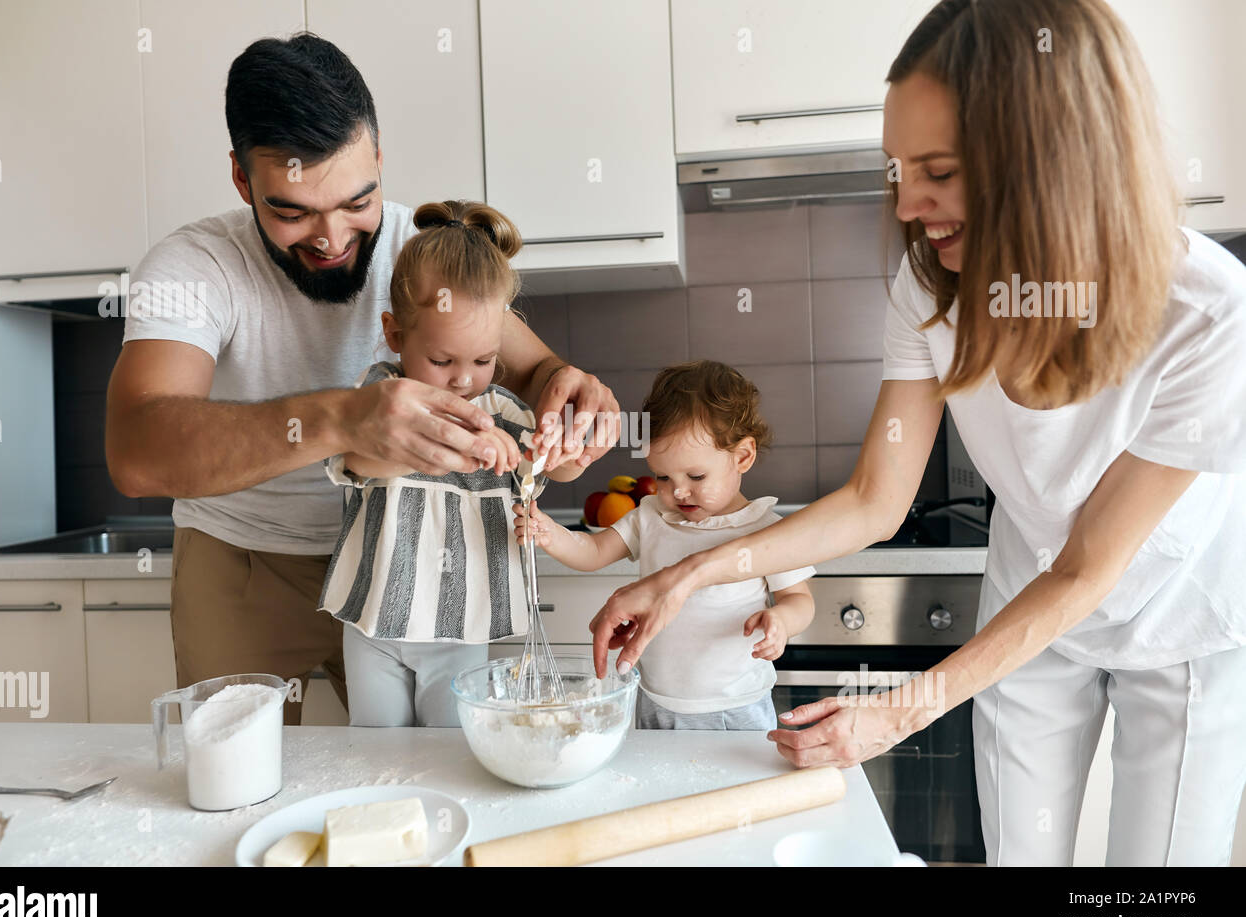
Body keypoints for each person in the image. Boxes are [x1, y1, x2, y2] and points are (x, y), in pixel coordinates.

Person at [588, 0, 1246, 865]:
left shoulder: (1208, 316)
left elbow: (1091, 564)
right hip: (1027, 593)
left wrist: (899, 708)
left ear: (1051, 161)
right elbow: (873, 500)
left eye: (936, 169)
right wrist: (685, 575)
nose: (908, 203)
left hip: (1181, 617)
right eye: (897, 168)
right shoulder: (930, 285)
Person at [105, 34, 617, 724]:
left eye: (357, 201)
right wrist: (345, 418)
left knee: (422, 785)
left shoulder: (426, 249)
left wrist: (577, 394)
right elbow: (137, 452)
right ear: (241, 179)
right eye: (292, 210)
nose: (333, 237)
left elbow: (537, 370)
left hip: (414, 571)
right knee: (234, 788)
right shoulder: (193, 267)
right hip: (244, 567)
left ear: (378, 158)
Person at [320, 200, 585, 726]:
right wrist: (461, 446)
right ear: (395, 335)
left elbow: (557, 469)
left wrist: (563, 446)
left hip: (458, 626)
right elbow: (355, 460)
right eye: (442, 361)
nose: (464, 380)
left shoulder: (503, 410)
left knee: (450, 751)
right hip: (375, 621)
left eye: (484, 361)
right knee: (377, 753)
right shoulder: (378, 395)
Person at [516, 361, 814, 730]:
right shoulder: (651, 516)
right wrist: (549, 533)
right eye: (662, 476)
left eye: (696, 476)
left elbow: (799, 601)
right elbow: (593, 552)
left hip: (737, 710)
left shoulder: (766, 529)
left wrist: (782, 621)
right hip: (654, 705)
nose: (678, 491)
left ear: (743, 457)